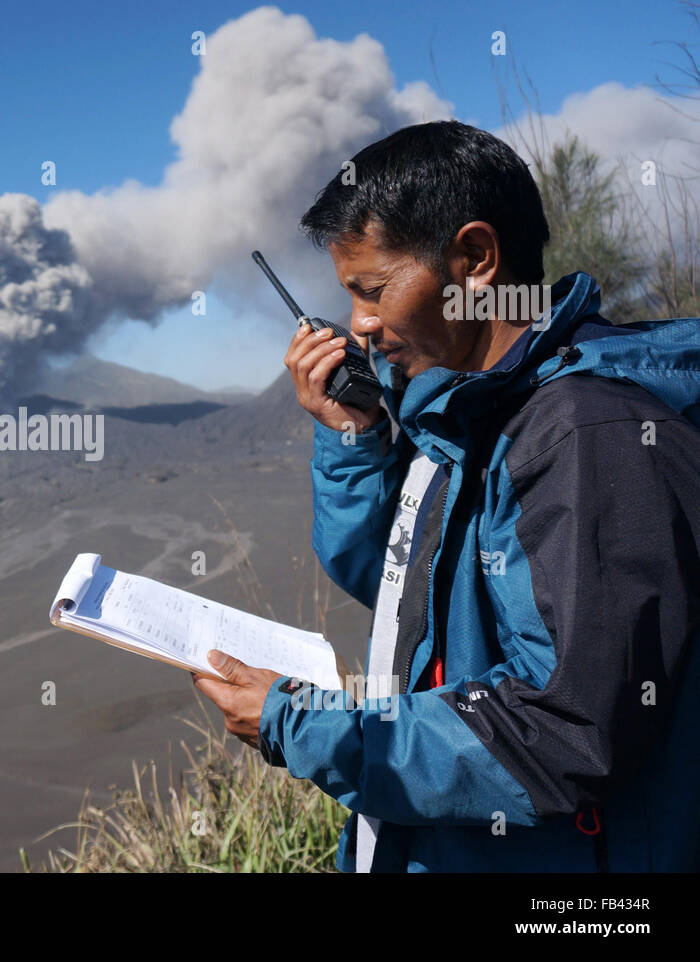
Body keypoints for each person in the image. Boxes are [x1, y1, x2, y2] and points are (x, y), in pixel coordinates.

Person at [193, 120, 700, 872]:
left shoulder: (589, 438)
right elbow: (404, 594)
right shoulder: (462, 416)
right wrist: (356, 436)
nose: (359, 326)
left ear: (475, 258)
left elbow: (566, 732)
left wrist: (301, 728)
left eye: (373, 290)